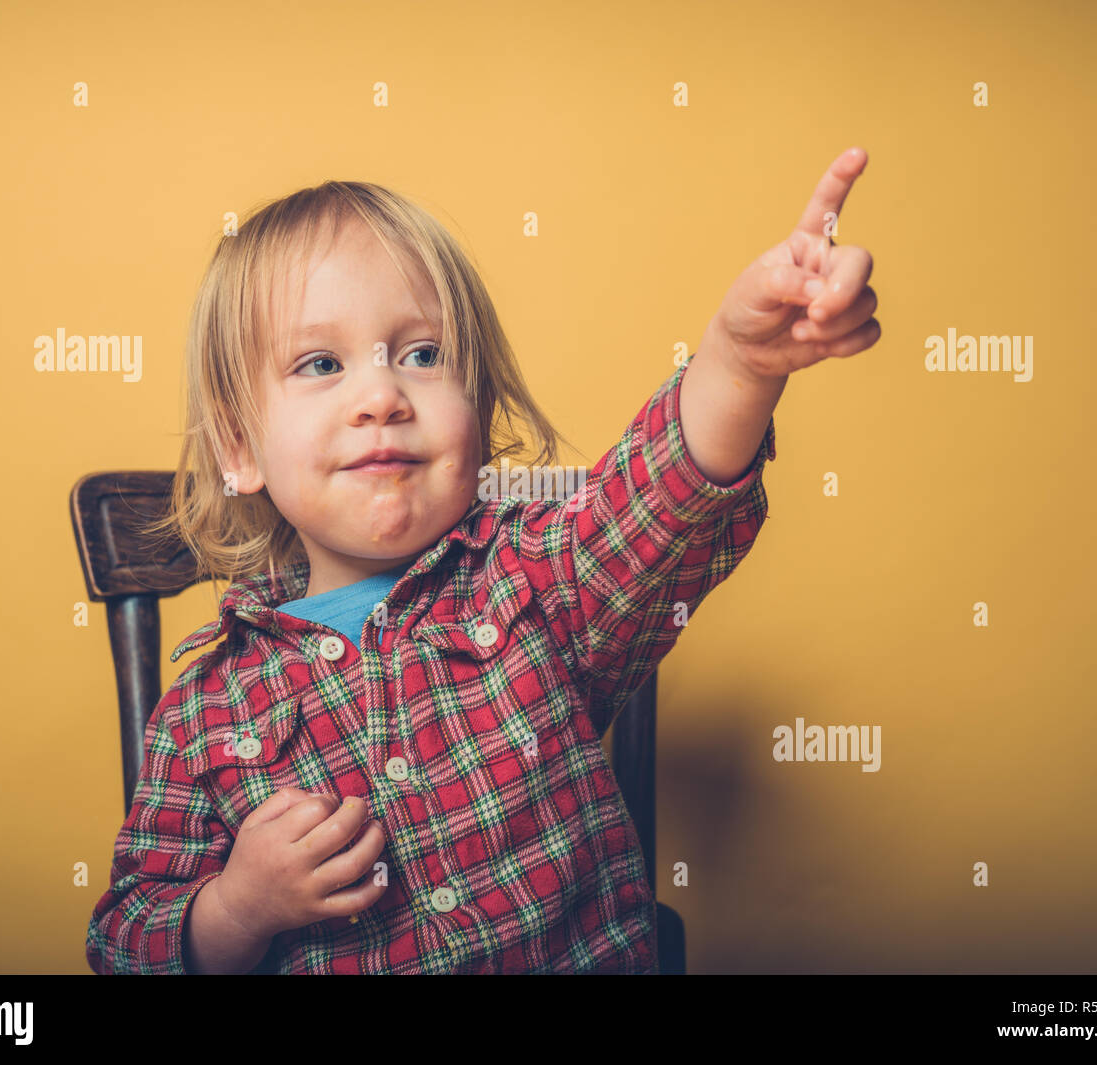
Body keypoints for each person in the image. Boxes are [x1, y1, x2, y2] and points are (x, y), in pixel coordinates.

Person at [84, 147, 879, 974]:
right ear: (240, 447)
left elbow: (662, 498)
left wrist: (741, 361)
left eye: (423, 354)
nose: (383, 396)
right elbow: (123, 943)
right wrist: (235, 909)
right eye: (321, 364)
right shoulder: (204, 714)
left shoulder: (536, 578)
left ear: (479, 408)